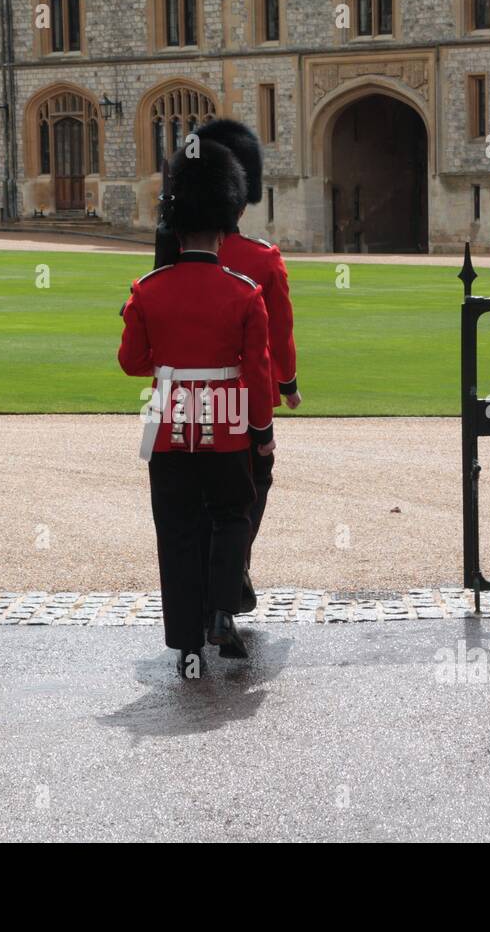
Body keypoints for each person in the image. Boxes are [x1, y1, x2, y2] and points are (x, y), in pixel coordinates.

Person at [118, 140, 275, 678]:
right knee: (232, 514)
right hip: (228, 420)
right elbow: (256, 372)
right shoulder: (244, 292)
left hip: (167, 421)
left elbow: (132, 363)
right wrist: (262, 431)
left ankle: (186, 643)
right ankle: (221, 611)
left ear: (176, 228)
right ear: (223, 226)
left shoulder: (148, 290)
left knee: (178, 526)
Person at [192, 118, 300, 613]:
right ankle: (234, 564)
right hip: (242, 398)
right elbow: (277, 333)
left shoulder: (176, 258)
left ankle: (212, 575)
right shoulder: (261, 258)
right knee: (255, 479)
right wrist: (288, 384)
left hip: (182, 400)